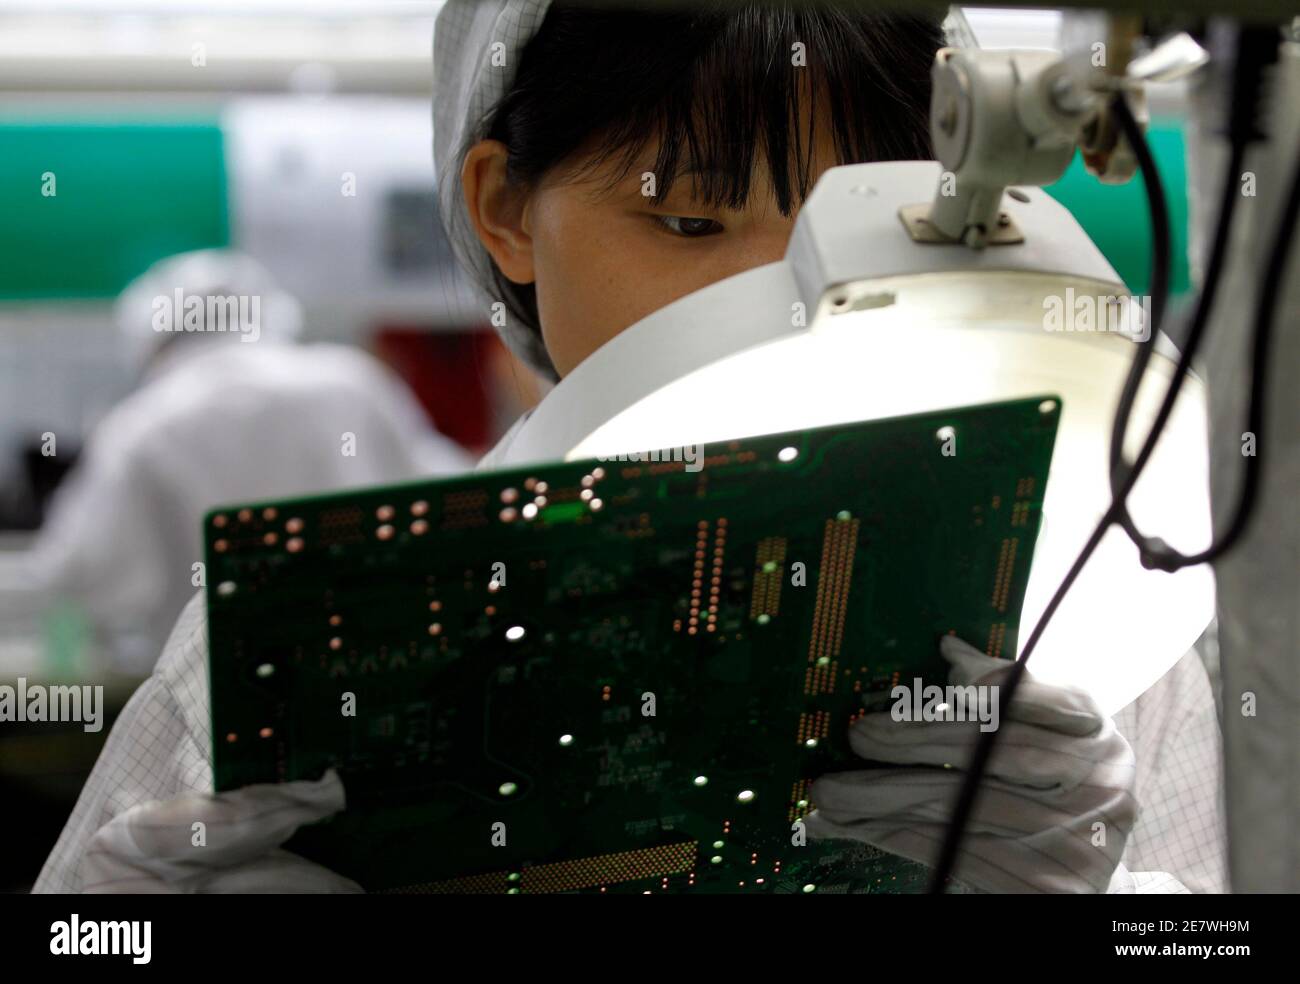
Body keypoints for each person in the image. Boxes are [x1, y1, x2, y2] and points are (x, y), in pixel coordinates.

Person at [33, 1, 1224, 894]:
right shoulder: (304, 654)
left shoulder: (1091, 619)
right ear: (506, 210)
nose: (786, 295)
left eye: (872, 218)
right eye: (690, 221)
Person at [1, 249, 471, 676]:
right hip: (378, 672)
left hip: (224, 697)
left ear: (153, 342)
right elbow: (451, 494)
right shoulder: (350, 381)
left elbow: (71, 573)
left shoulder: (142, 426)